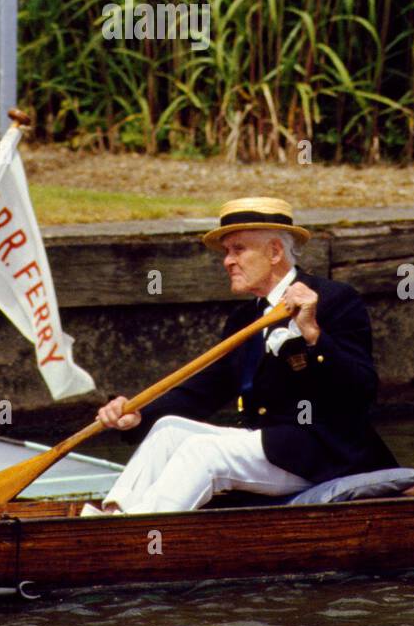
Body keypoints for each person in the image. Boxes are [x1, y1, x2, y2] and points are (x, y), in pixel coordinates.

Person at [84, 196, 397, 515]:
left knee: (201, 451)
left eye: (238, 249)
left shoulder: (334, 299)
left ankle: (134, 534)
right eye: (226, 251)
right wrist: (139, 414)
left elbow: (362, 390)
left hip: (324, 454)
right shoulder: (243, 320)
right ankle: (113, 517)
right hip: (265, 447)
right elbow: (203, 390)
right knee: (168, 431)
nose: (227, 261)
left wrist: (313, 333)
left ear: (275, 251)